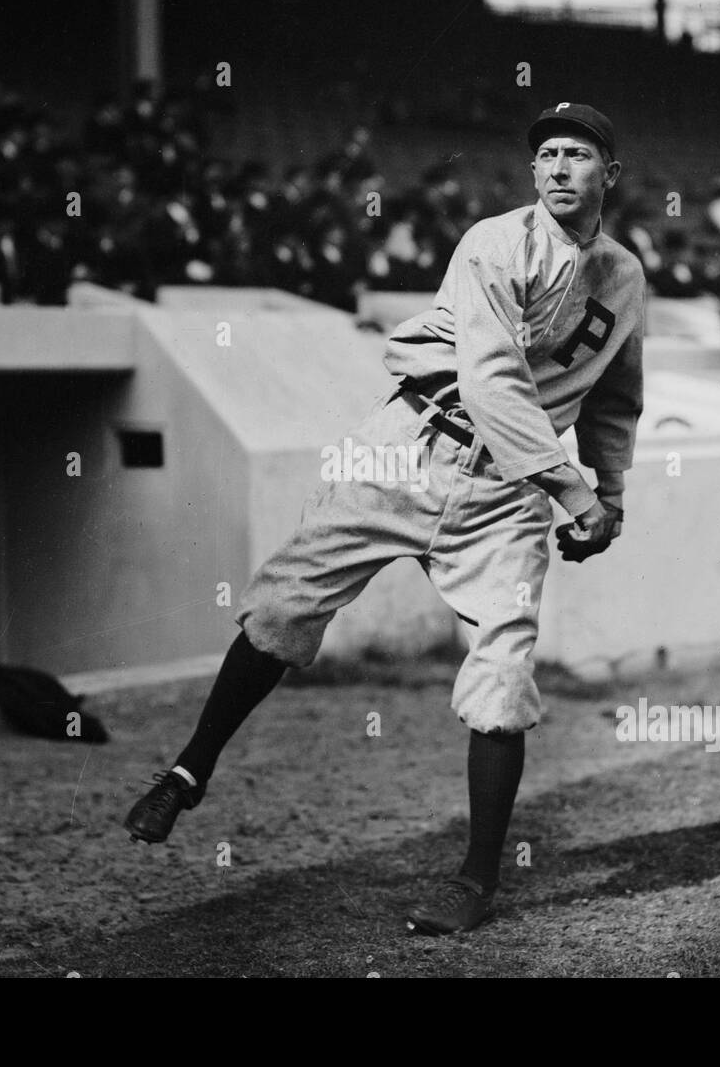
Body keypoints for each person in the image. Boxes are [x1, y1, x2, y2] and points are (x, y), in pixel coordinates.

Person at [123, 102, 645, 935]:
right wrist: (572, 490)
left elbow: (615, 396)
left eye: (576, 154)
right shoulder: (494, 242)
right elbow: (492, 380)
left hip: (503, 496)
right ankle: (188, 771)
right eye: (544, 153)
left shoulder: (623, 277)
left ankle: (474, 882)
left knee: (503, 678)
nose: (555, 168)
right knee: (284, 604)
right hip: (407, 444)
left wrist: (610, 490)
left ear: (608, 174)